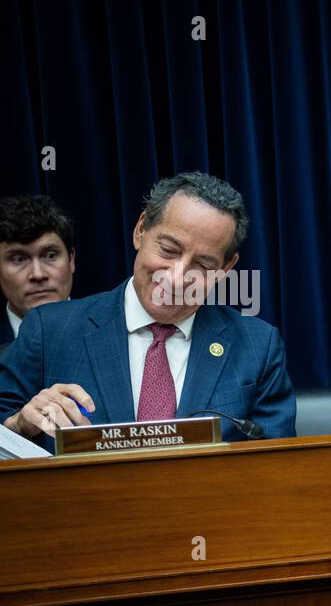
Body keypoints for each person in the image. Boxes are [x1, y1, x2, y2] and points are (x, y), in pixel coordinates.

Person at [0, 172, 296, 445]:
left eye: (203, 265)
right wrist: (19, 424)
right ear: (141, 230)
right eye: (168, 250)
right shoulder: (50, 330)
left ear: (226, 268)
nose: (178, 277)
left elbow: (277, 468)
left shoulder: (258, 347)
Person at [0, 195, 77, 354]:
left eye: (50, 256)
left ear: (71, 260)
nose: (38, 274)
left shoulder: (115, 332)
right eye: (18, 259)